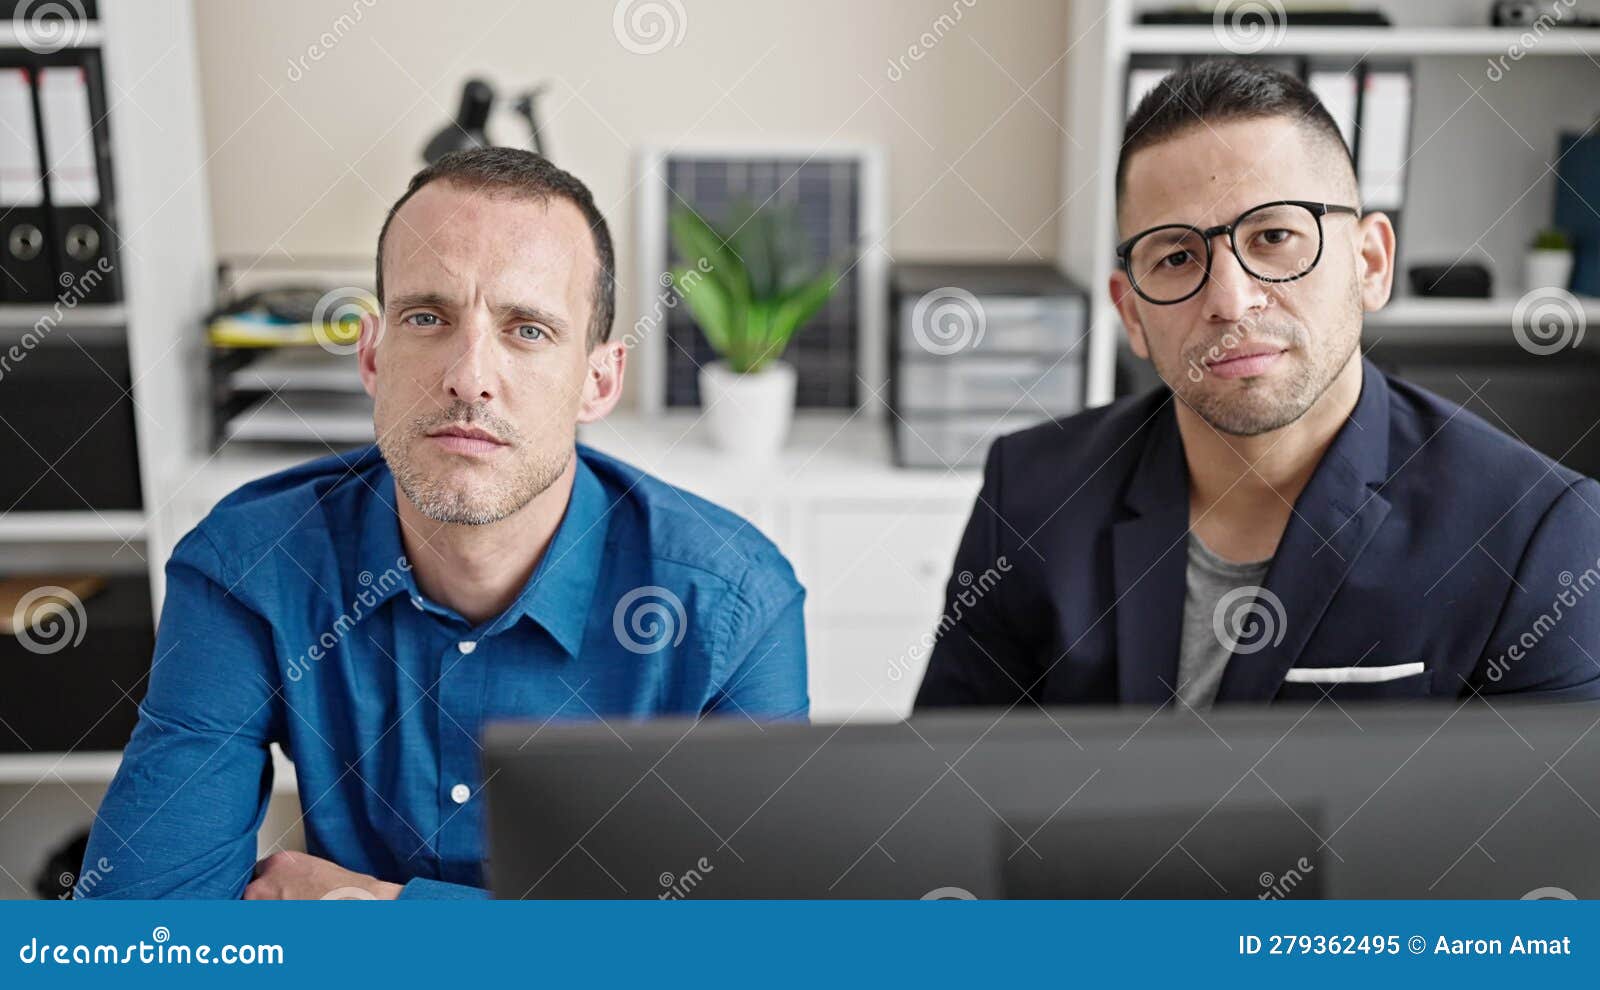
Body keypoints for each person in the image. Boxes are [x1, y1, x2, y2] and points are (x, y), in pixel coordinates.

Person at [82, 148, 808, 899]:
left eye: (528, 330)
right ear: (372, 355)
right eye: (427, 317)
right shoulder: (251, 565)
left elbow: (757, 952)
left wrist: (396, 914)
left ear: (598, 381)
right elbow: (132, 939)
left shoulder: (734, 602)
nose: (469, 375)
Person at [917, 59, 1600, 712]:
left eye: (1274, 235)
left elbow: (1533, 832)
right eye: (1178, 256)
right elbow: (950, 796)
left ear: (1370, 263)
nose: (1230, 299)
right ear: (1131, 312)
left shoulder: (1540, 534)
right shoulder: (1030, 493)